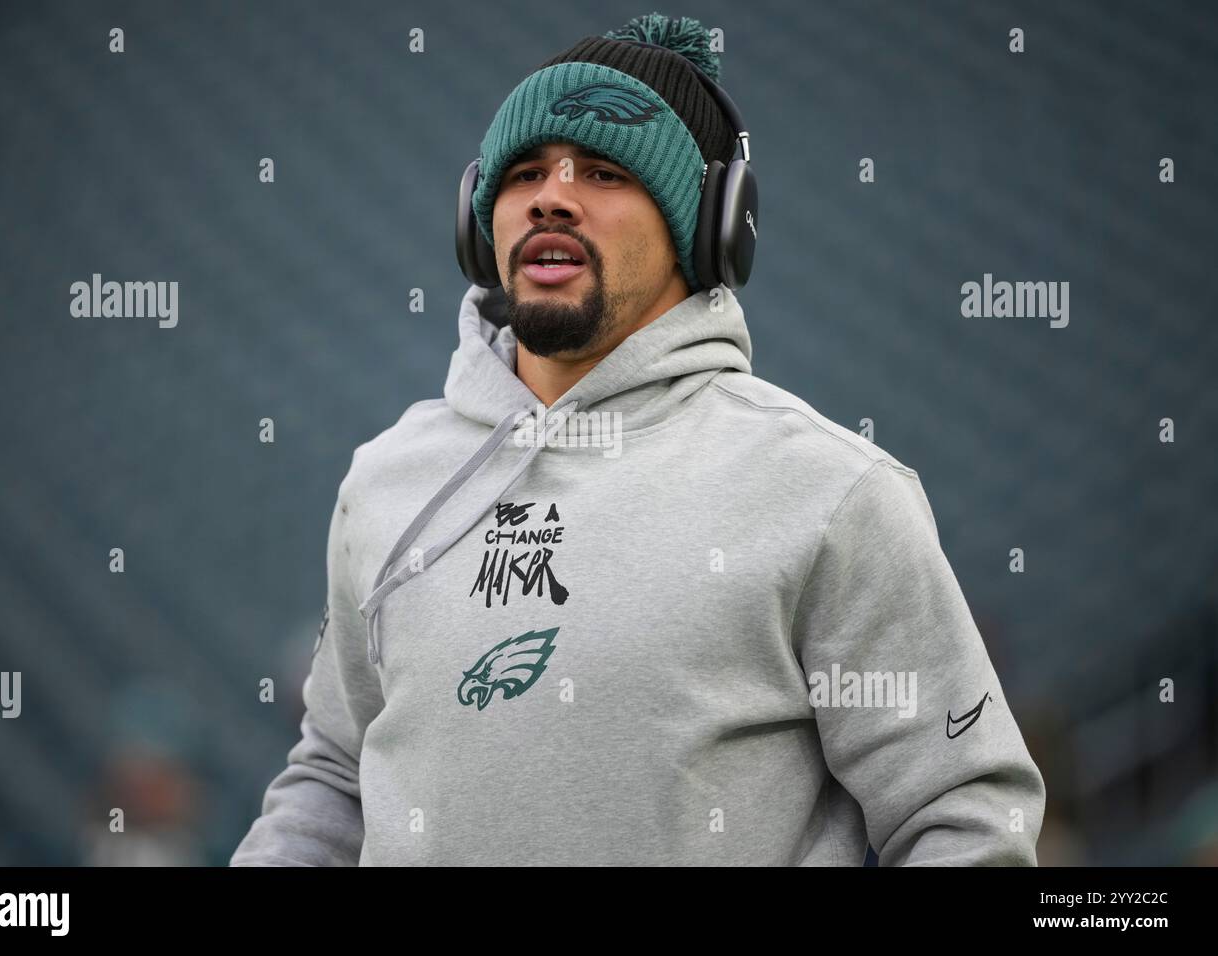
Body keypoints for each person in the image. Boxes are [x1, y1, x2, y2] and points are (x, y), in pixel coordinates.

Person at [231, 12, 1045, 866]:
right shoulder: (387, 478)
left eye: (608, 172)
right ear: (481, 222)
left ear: (708, 231)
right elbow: (332, 781)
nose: (552, 194)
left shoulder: (830, 493)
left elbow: (964, 816)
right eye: (525, 171)